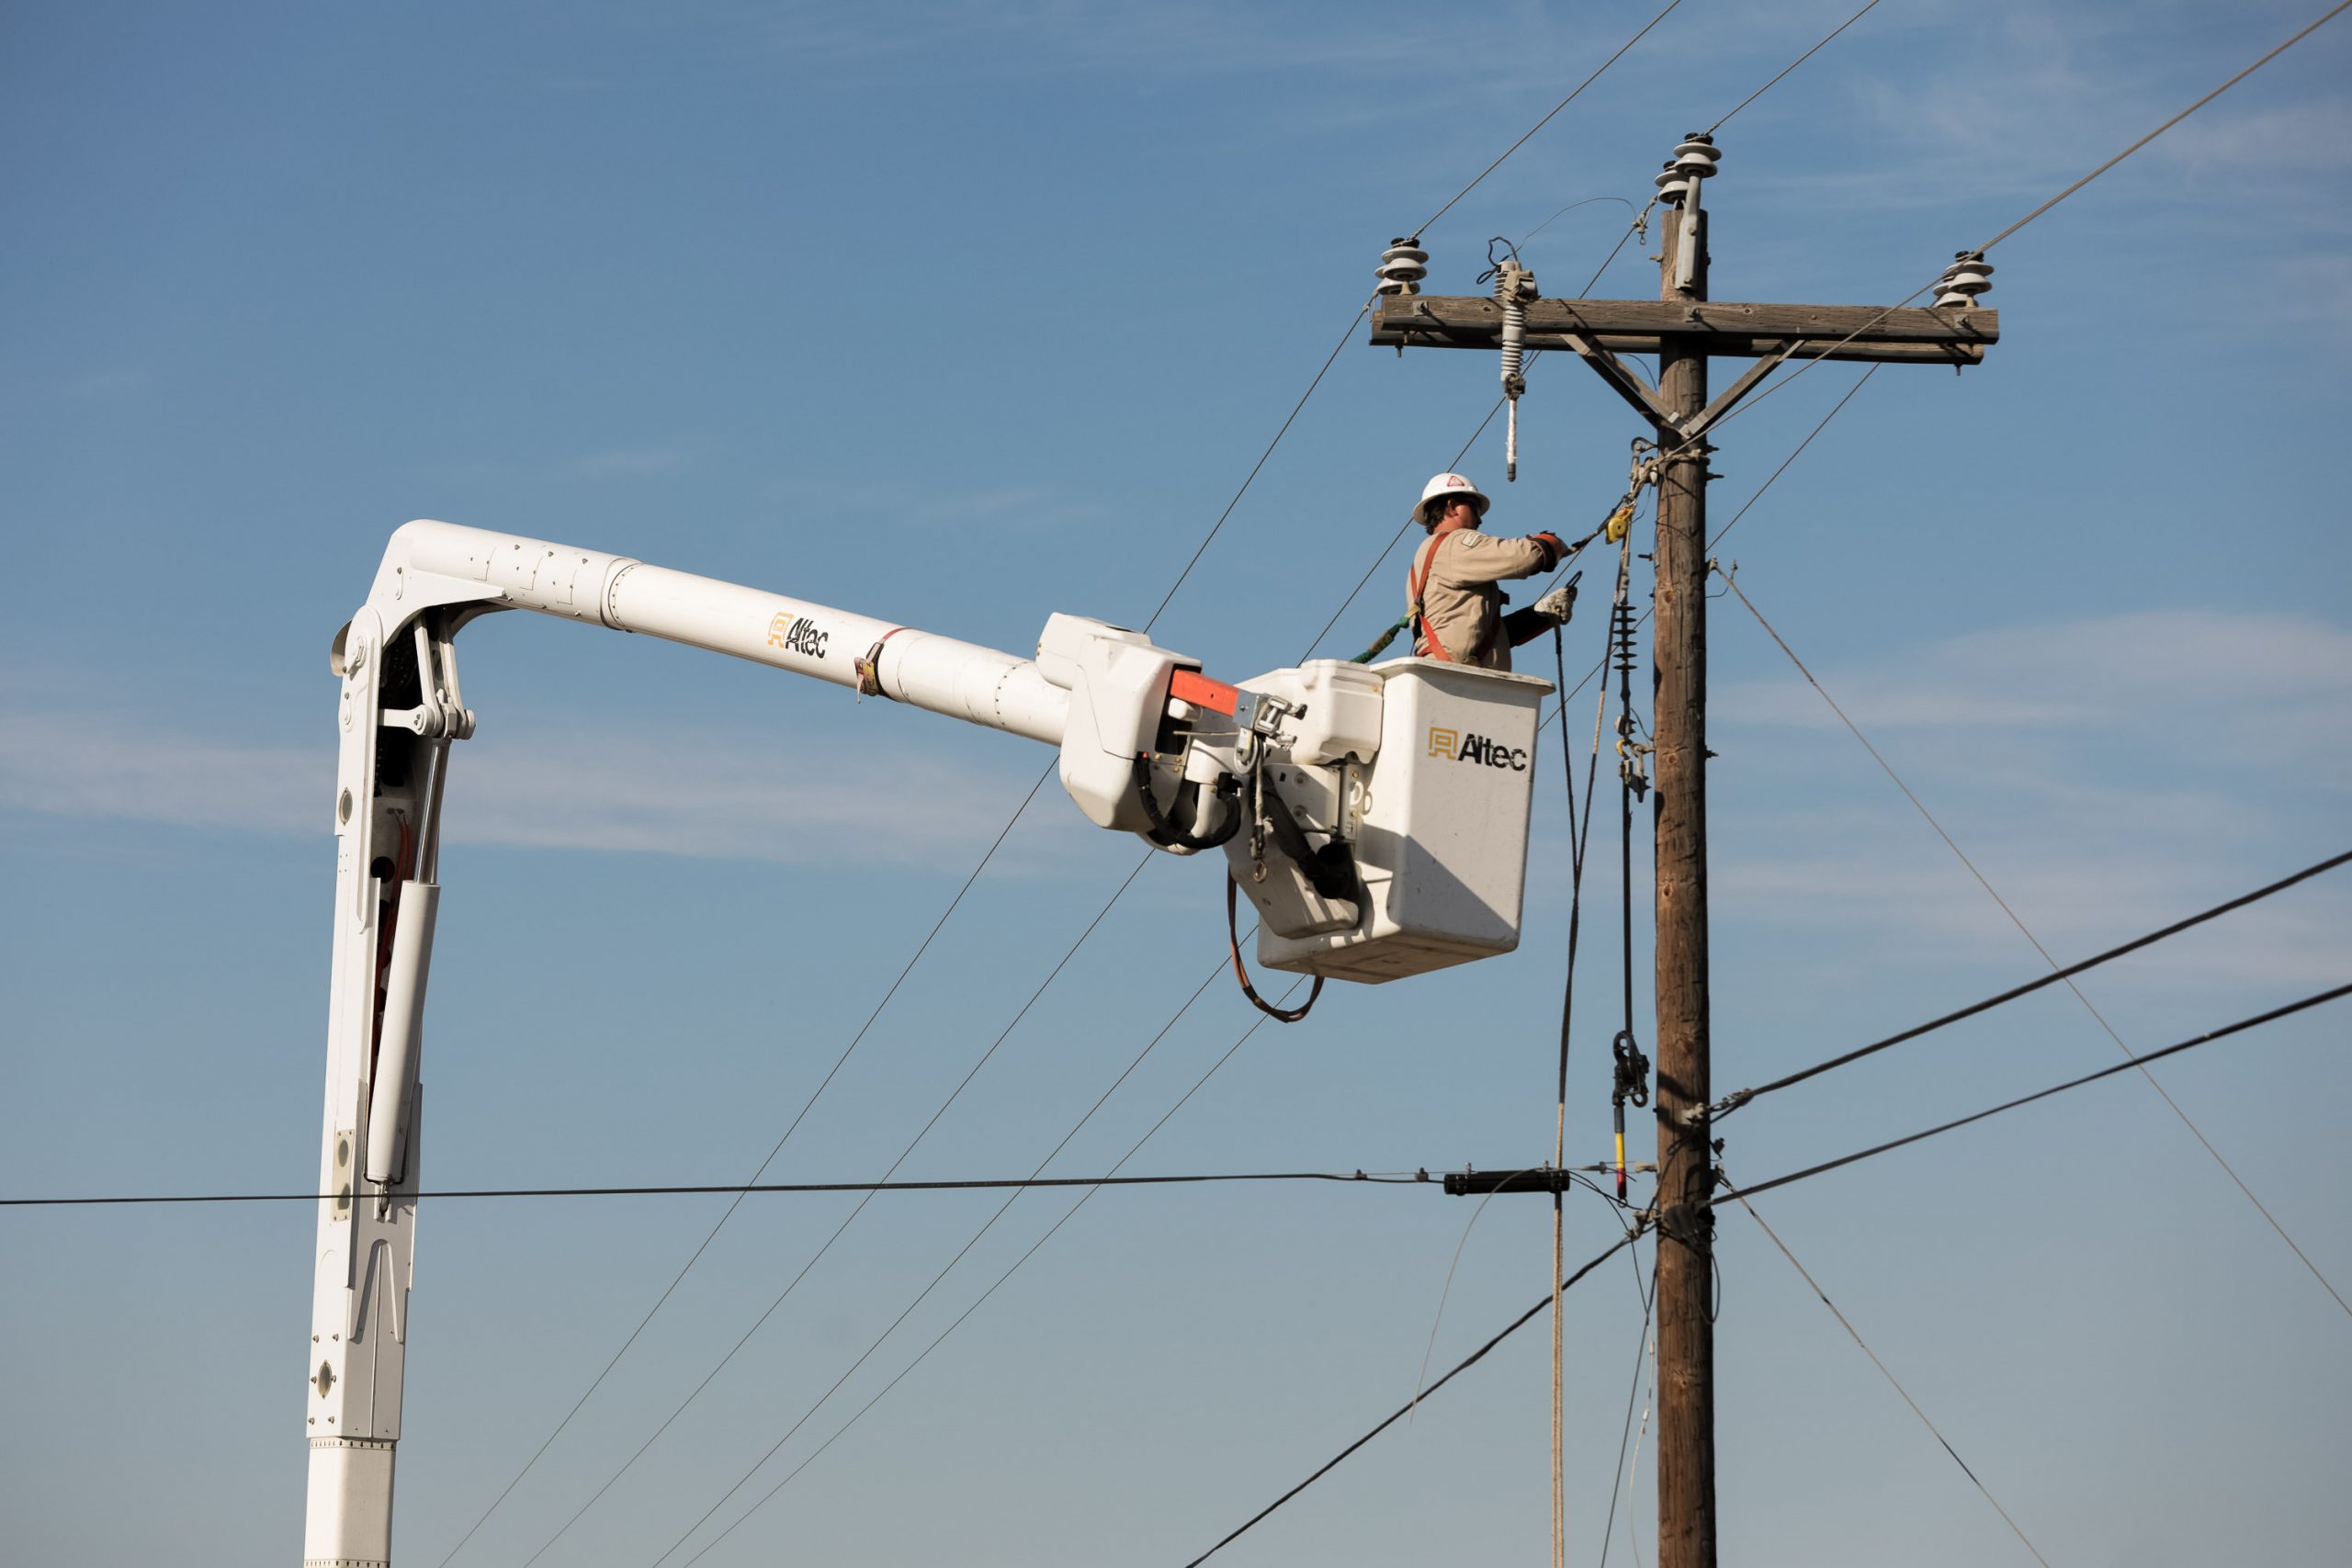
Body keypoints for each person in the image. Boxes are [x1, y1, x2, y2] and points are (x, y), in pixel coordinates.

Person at [1406, 472, 1577, 671]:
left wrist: (1540, 614)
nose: (1480, 520)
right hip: (1459, 678)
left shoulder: (1426, 561)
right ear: (1451, 506)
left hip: (1451, 675)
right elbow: (1526, 557)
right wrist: (1550, 544)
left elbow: (1479, 633)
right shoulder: (1454, 543)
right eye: (1475, 508)